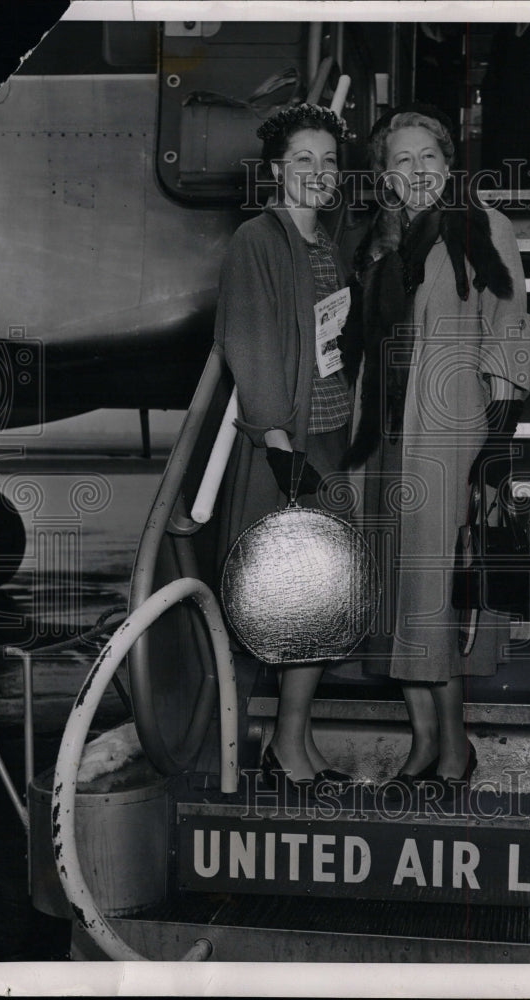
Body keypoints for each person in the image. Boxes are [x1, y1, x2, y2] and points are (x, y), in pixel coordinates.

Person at [340, 104, 530, 804]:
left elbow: (508, 336)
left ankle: (453, 751)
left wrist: (497, 450)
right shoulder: (386, 243)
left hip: (448, 438)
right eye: (401, 161)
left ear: (448, 164)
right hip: (389, 442)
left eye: (427, 158)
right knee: (397, 597)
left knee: (434, 601)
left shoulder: (483, 227)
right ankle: (423, 741)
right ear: (386, 178)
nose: (416, 172)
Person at [213, 103, 354, 794]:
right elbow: (248, 339)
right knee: (279, 598)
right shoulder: (257, 240)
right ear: (276, 169)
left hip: (329, 439)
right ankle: (271, 751)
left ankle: (292, 743)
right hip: (287, 446)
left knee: (321, 600)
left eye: (328, 161)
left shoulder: (327, 242)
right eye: (304, 159)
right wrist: (274, 440)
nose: (319, 172)